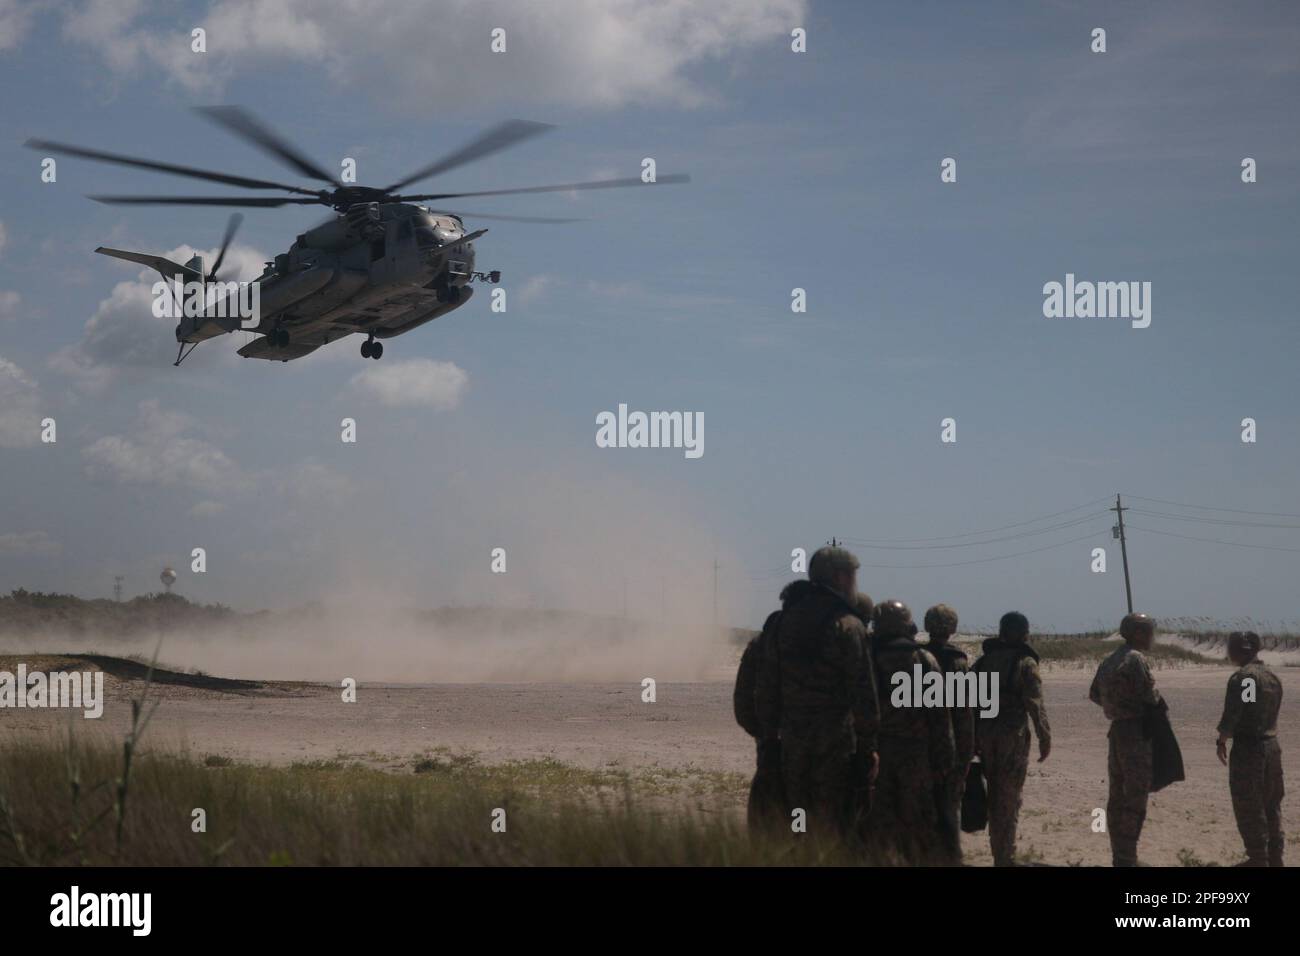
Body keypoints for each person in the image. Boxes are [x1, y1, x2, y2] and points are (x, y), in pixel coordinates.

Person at [754, 546, 879, 843]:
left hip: (791, 744)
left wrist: (768, 740)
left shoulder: (781, 622)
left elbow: (766, 688)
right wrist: (868, 747)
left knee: (796, 819)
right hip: (835, 746)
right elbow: (864, 694)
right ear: (839, 577)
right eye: (852, 576)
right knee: (833, 825)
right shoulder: (849, 626)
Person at [864, 599, 954, 863]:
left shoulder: (864, 659)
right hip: (915, 757)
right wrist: (944, 762)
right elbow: (940, 717)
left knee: (875, 828)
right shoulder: (924, 661)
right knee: (917, 827)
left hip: (873, 755)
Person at [973, 611, 1051, 866]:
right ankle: (1004, 857)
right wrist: (1044, 736)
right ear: (1025, 633)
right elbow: (1035, 702)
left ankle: (1000, 853)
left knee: (994, 794)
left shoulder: (984, 662)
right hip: (1011, 735)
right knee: (1008, 797)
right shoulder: (1025, 663)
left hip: (985, 734)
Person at [1089, 612, 1160, 867]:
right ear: (1138, 633)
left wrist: (1115, 705)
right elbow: (1150, 697)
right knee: (1134, 796)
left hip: (1117, 731)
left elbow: (1095, 694)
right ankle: (1127, 857)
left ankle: (1120, 855)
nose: (1152, 636)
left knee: (1117, 796)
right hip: (1135, 733)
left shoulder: (1110, 659)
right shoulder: (1135, 659)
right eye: (1149, 631)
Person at [1216, 630, 1285, 866]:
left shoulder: (1246, 678)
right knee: (1271, 804)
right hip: (1272, 747)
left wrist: (1222, 739)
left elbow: (1238, 712)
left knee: (1249, 805)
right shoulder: (1272, 677)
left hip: (1250, 750)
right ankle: (1275, 856)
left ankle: (1258, 858)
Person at [924, 603, 973, 864]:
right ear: (952, 628)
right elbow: (964, 714)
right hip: (950, 746)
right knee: (949, 810)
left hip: (920, 746)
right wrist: (966, 755)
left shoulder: (915, 657)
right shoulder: (957, 662)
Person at [733, 609, 787, 834]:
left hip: (770, 743)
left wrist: (761, 732)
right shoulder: (834, 639)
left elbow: (743, 703)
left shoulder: (760, 646)